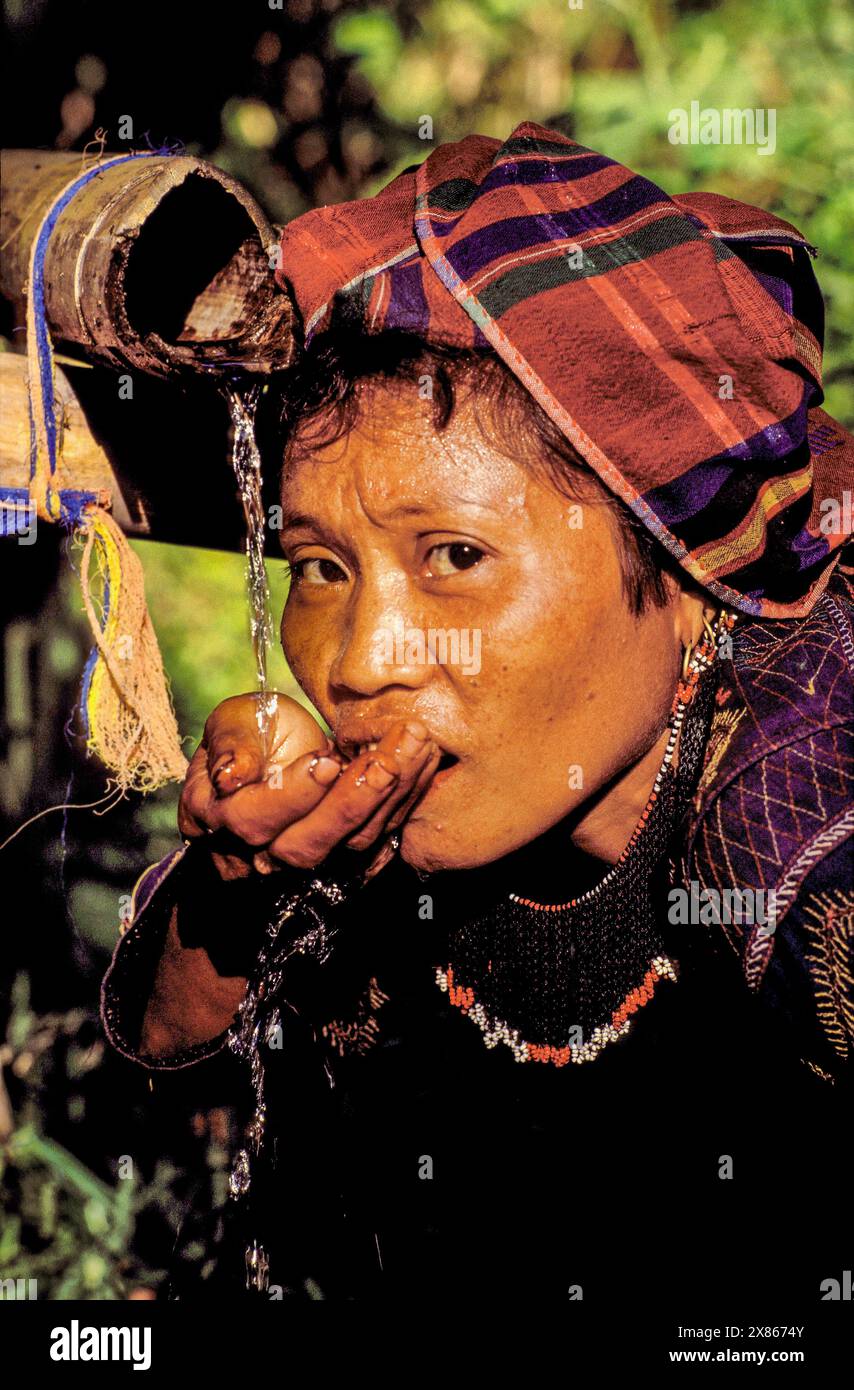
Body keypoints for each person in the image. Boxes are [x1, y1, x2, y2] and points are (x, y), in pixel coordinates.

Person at [101, 122, 853, 1304]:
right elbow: (161, 1049)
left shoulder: (805, 785)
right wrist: (233, 893)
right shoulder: (387, 830)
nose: (357, 663)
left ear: (690, 574)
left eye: (453, 553)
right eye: (320, 567)